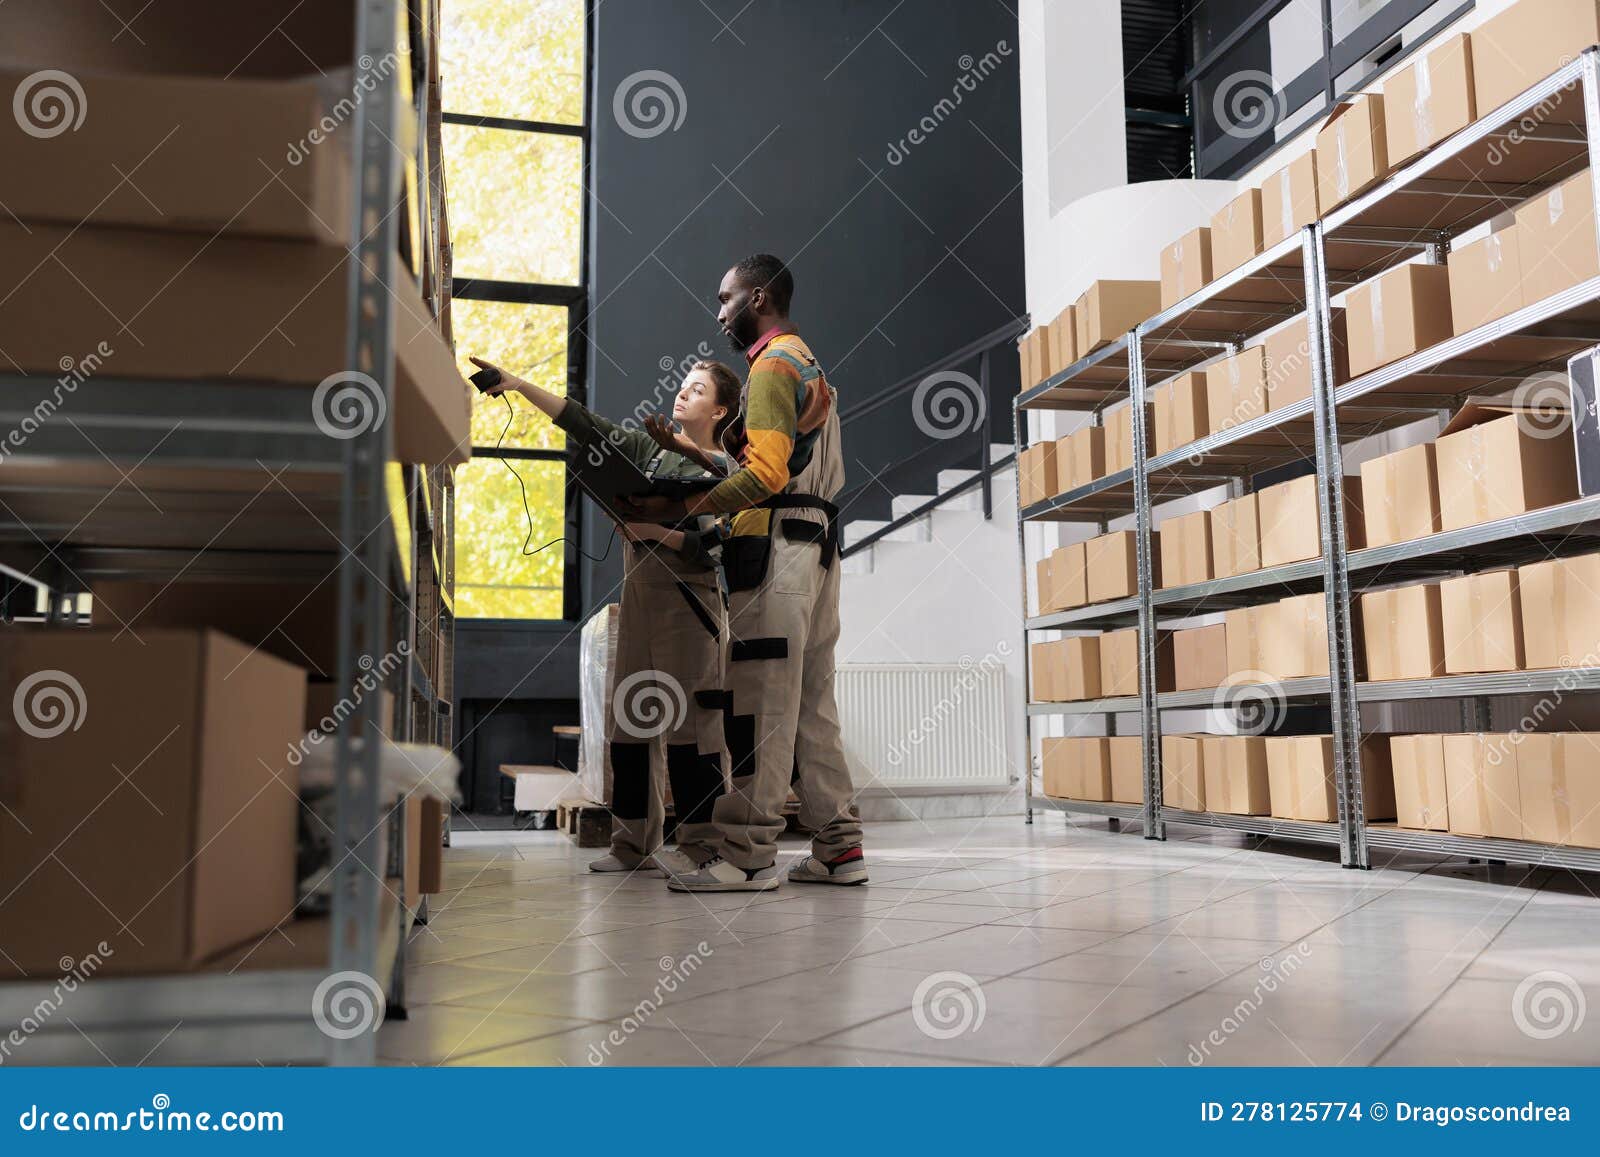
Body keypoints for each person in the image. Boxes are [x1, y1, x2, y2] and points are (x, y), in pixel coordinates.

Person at [623, 254, 867, 892]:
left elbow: (764, 477)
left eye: (725, 297)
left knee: (761, 702)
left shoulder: (767, 367)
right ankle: (839, 847)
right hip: (816, 544)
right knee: (812, 702)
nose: (719, 310)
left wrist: (683, 504)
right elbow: (778, 456)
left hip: (776, 550)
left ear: (758, 297)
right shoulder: (804, 361)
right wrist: (689, 451)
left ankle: (747, 856)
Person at [469, 354, 741, 877]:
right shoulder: (648, 452)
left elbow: (717, 546)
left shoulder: (725, 471)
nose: (683, 395)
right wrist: (519, 383)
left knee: (692, 728)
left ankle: (701, 844)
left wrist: (655, 531)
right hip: (639, 601)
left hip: (692, 605)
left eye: (698, 390)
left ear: (721, 409)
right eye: (683, 386)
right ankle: (631, 844)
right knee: (629, 725)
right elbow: (584, 422)